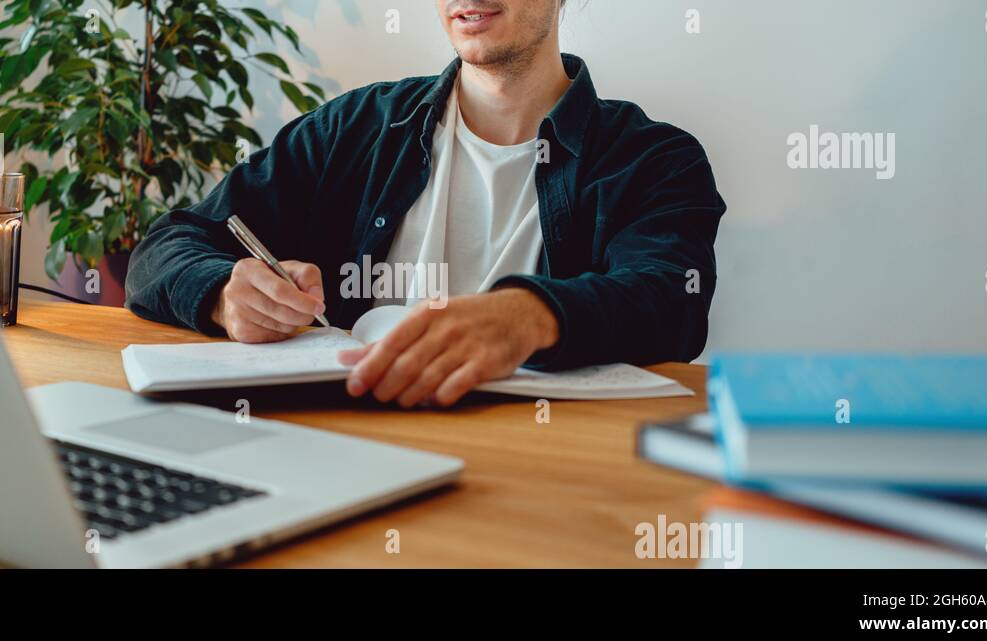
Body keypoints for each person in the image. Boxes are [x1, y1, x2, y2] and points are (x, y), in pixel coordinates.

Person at [125, 0, 725, 407]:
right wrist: (224, 294)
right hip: (342, 457)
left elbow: (672, 300)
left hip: (538, 474)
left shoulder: (654, 160)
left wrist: (527, 315)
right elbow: (164, 248)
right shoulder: (353, 128)